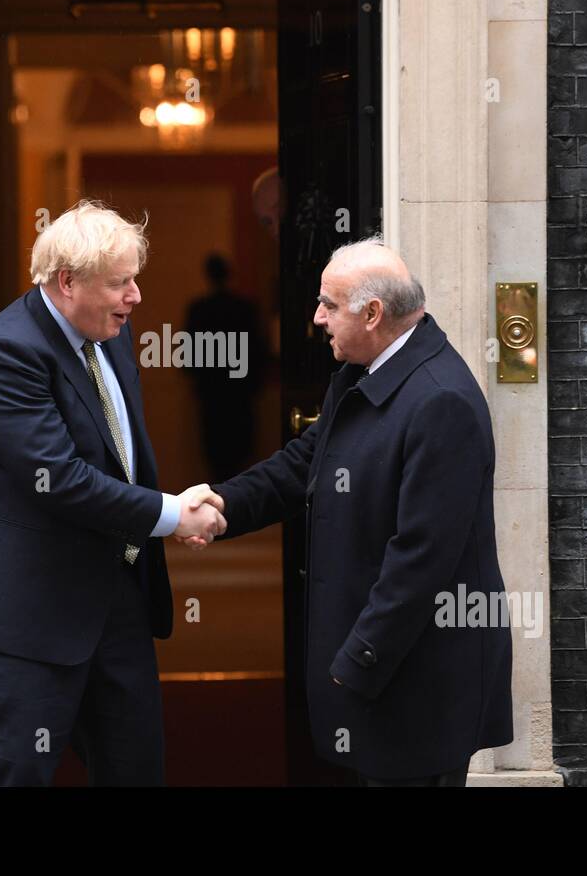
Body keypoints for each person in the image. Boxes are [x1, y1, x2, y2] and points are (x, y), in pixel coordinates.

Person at [182, 237, 513, 786]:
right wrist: (223, 505)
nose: (316, 317)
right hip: (383, 676)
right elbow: (302, 464)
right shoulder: (364, 373)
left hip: (417, 683)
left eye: (328, 305)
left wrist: (358, 657)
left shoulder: (439, 401)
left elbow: (422, 559)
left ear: (373, 312)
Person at [0, 199, 225, 786]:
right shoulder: (7, 353)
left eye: (134, 280)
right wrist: (172, 515)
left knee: (136, 771)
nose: (136, 296)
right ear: (66, 282)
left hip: (117, 602)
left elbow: (121, 456)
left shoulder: (112, 336)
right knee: (17, 776)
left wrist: (161, 517)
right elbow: (61, 479)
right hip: (28, 616)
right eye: (121, 283)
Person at [183, 253, 264, 480]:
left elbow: (189, 356)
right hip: (240, 393)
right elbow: (258, 350)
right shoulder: (244, 308)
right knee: (241, 454)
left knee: (217, 457)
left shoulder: (200, 309)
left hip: (213, 394)